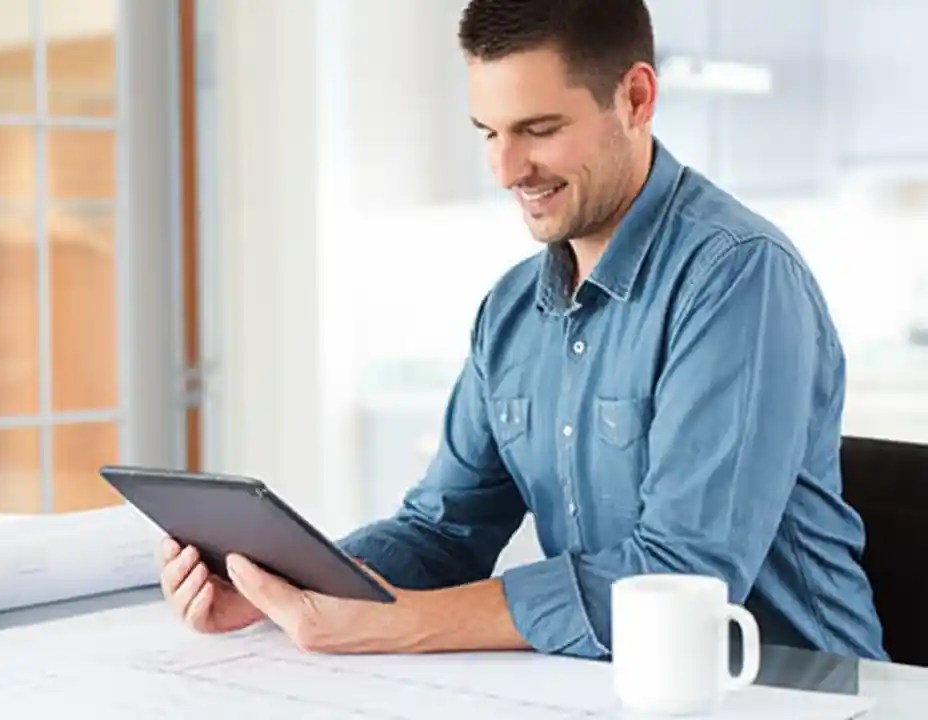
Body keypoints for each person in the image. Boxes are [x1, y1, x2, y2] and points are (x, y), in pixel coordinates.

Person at [156, 0, 887, 660]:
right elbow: (443, 534)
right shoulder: (511, 311)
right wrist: (276, 589)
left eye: (539, 130)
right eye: (489, 132)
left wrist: (397, 624)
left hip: (793, 690)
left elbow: (682, 578)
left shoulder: (737, 278)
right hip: (603, 687)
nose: (507, 168)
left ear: (635, 98)